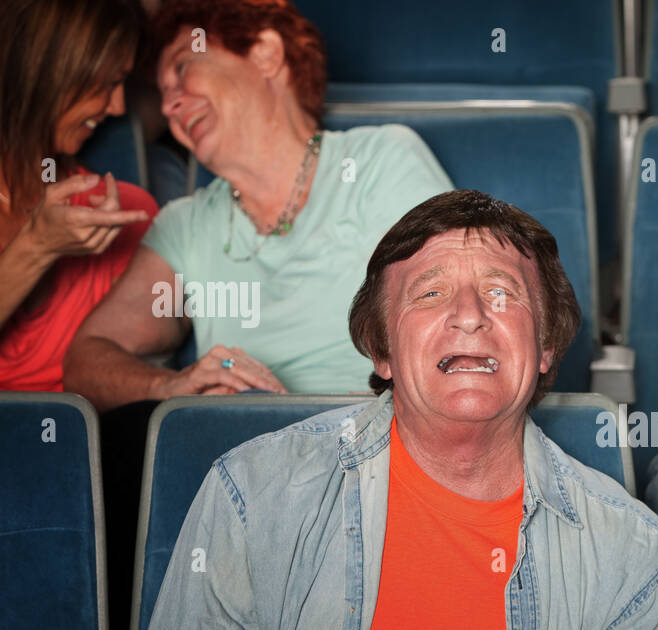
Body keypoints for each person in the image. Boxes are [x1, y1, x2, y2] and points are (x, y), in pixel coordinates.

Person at [126, 190, 658, 630]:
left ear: (546, 349)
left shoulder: (636, 556)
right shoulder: (254, 493)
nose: (470, 316)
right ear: (382, 351)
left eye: (502, 293)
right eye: (429, 294)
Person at [63, 0, 453, 409]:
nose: (169, 105)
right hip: (250, 454)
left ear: (266, 53)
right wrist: (171, 387)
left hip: (388, 433)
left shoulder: (380, 160)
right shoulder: (185, 224)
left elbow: (449, 312)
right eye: (162, 93)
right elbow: (86, 359)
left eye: (182, 68)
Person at [0, 0, 156, 392]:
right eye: (106, 84)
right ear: (44, 71)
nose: (118, 107)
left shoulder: (124, 213)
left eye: (123, 84)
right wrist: (36, 247)